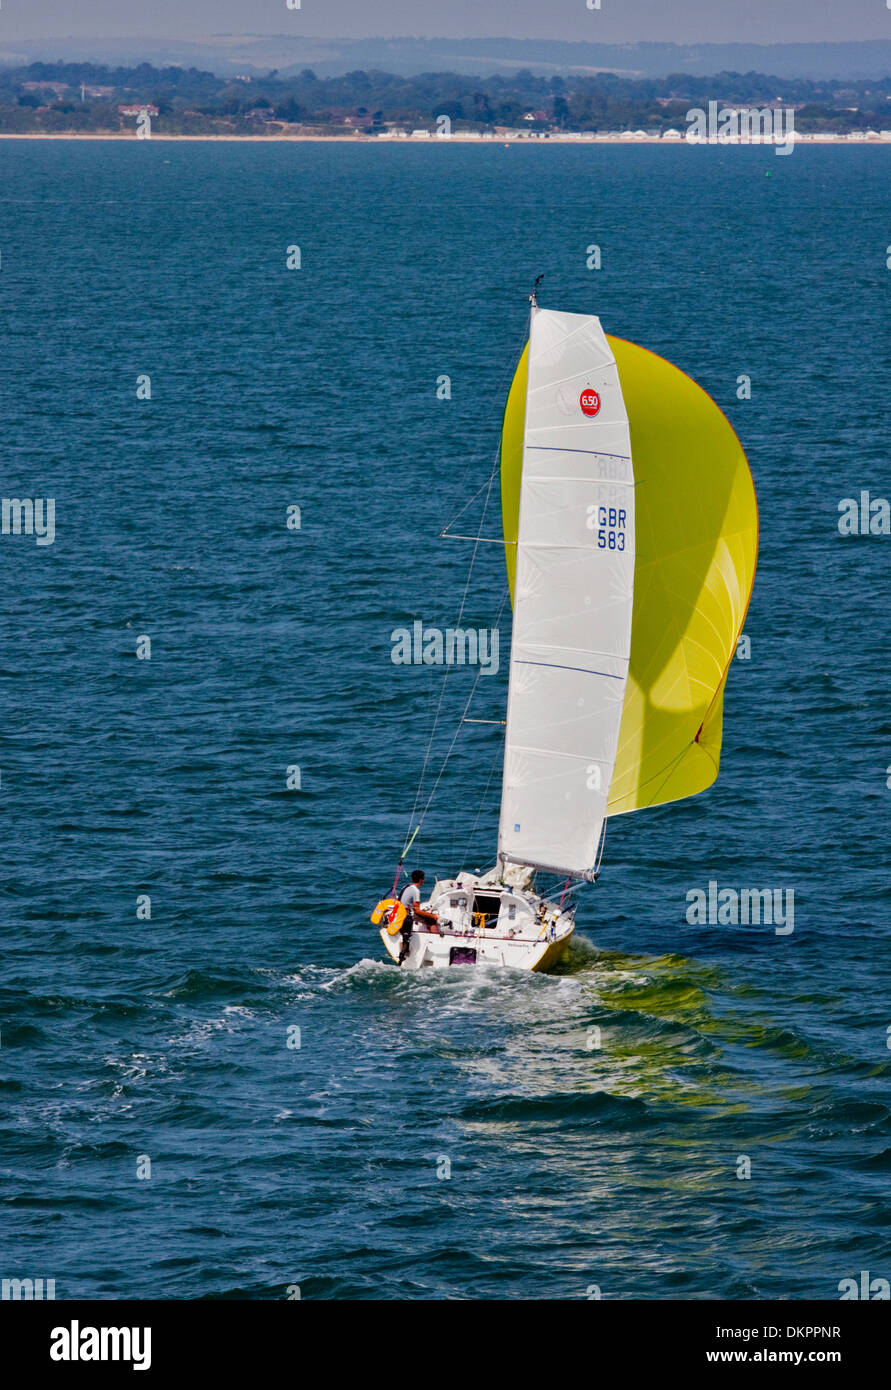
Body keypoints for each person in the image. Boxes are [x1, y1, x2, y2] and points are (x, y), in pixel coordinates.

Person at [398, 869, 439, 965]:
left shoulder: (406, 887)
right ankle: (435, 940)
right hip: (407, 915)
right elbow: (417, 910)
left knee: (427, 916)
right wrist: (433, 915)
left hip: (400, 912)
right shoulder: (416, 890)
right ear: (421, 880)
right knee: (431, 920)